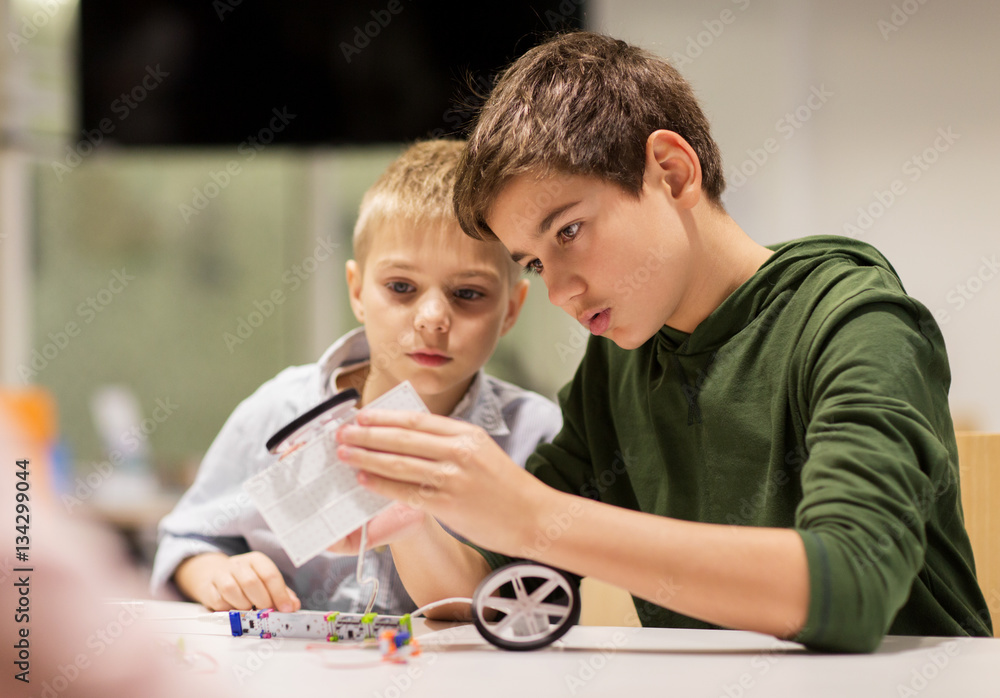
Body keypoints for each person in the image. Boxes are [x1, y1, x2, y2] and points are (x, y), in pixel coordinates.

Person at [331, 32, 993, 652]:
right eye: (532, 263)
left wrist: (534, 516)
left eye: (567, 232)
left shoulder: (856, 323)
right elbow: (494, 589)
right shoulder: (618, 364)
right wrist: (407, 507)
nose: (558, 292)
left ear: (673, 173)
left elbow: (855, 583)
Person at [151, 140, 562, 615]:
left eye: (468, 293)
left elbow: (522, 605)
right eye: (401, 287)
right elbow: (187, 536)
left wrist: (413, 521)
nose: (432, 318)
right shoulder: (279, 410)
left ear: (510, 310)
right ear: (357, 291)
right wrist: (217, 575)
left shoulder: (537, 436)